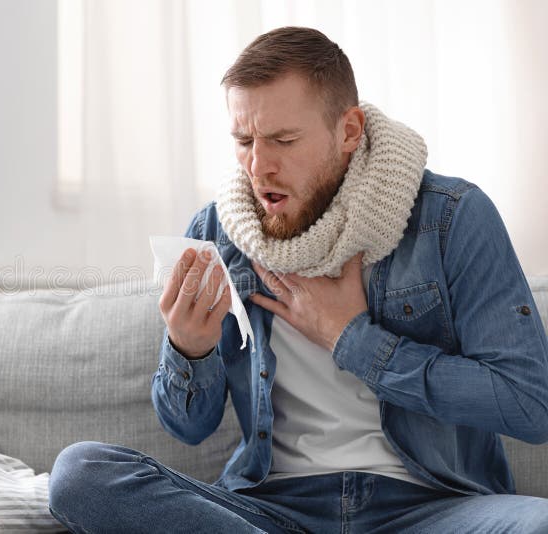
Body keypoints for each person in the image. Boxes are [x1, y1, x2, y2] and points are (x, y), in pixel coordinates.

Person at [48, 26, 548, 533]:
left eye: (284, 140)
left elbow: (531, 404)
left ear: (349, 131)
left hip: (432, 509)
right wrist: (189, 349)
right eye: (244, 141)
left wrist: (351, 337)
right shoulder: (217, 232)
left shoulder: (451, 219)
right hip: (272, 511)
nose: (259, 167)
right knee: (81, 474)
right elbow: (188, 428)